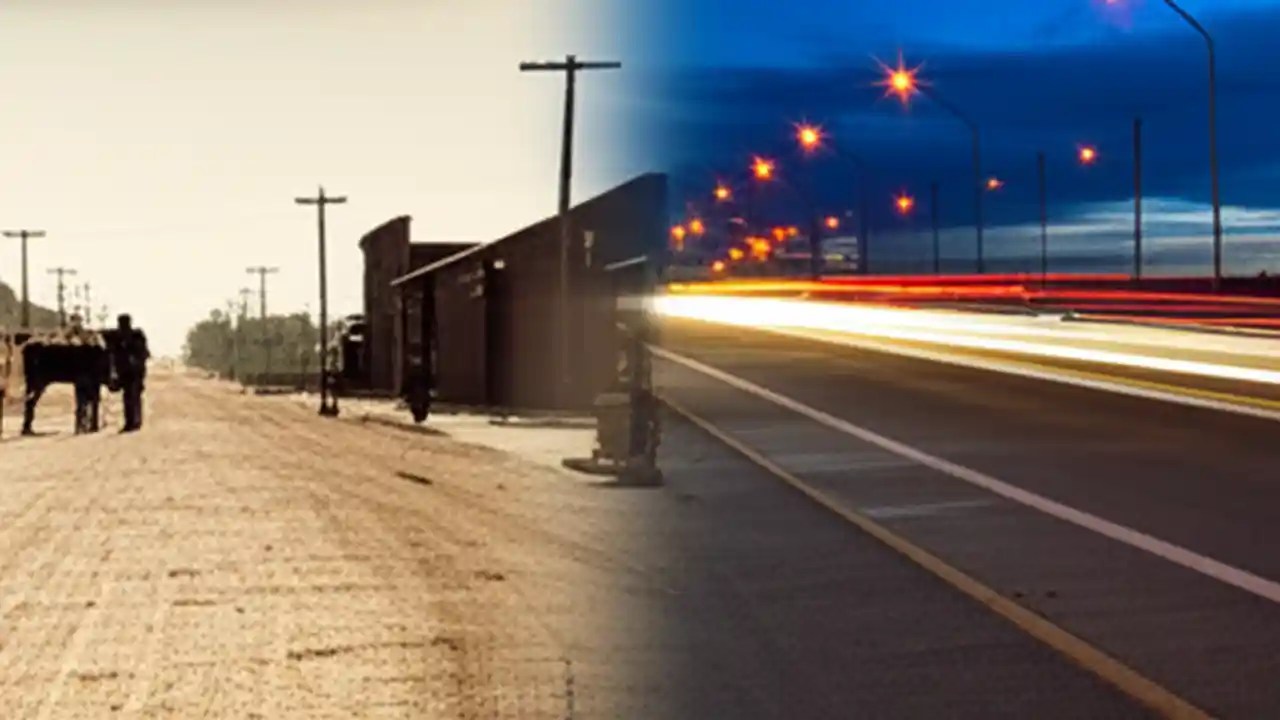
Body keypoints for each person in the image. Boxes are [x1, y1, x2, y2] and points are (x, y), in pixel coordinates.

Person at [112, 314, 150, 432]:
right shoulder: (121, 337)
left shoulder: (135, 336)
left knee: (132, 396)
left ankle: (133, 422)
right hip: (127, 371)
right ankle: (132, 422)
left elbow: (143, 353)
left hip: (134, 371)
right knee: (130, 396)